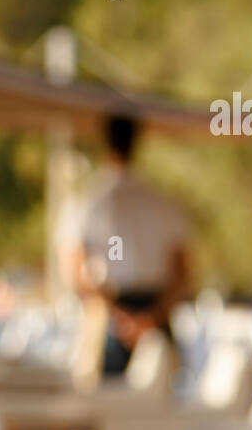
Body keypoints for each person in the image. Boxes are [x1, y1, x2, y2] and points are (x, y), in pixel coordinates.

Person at [59, 114, 192, 375]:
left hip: (111, 318)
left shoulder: (85, 203)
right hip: (152, 315)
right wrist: (150, 319)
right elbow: (182, 273)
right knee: (163, 408)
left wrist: (120, 318)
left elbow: (74, 274)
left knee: (105, 407)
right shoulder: (164, 203)